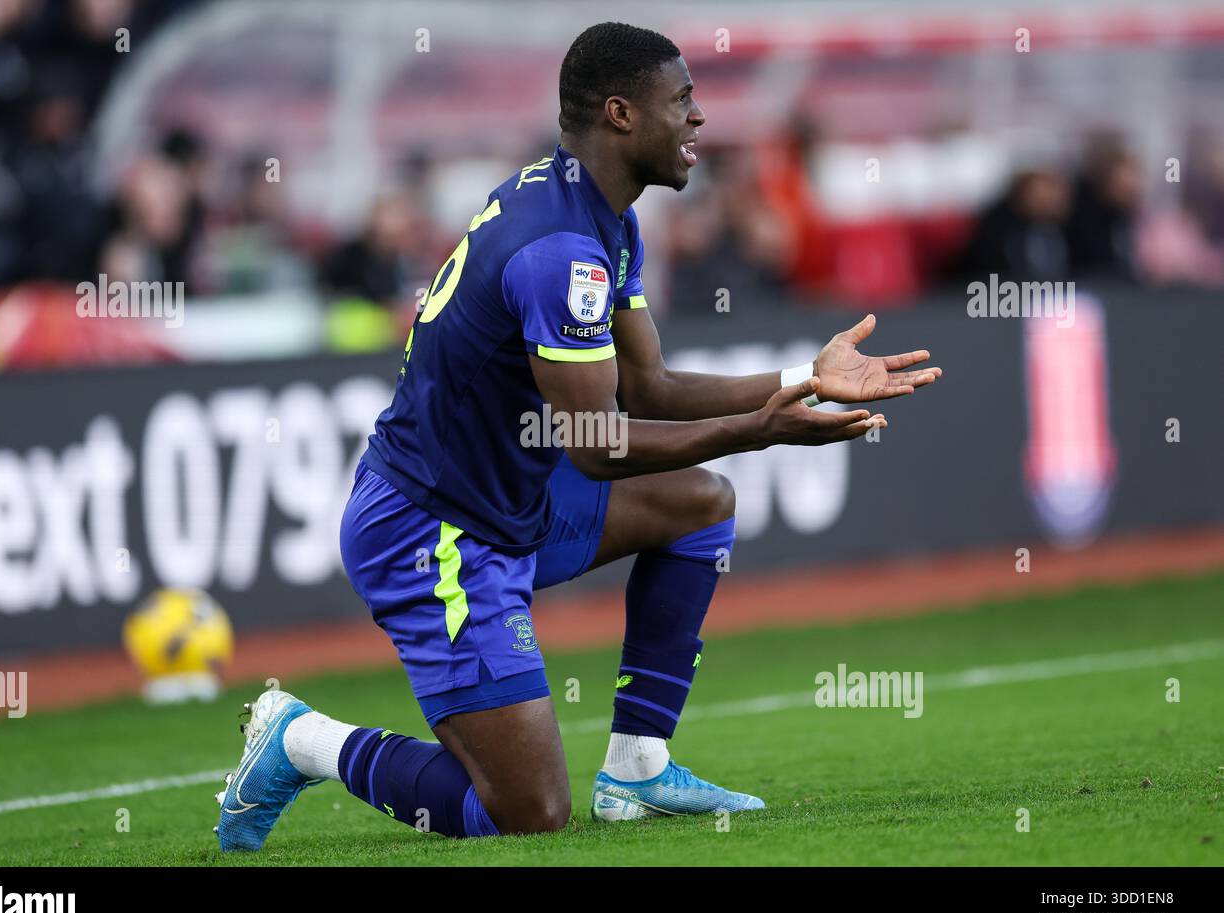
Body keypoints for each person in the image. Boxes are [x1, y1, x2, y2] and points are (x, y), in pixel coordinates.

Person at [215, 21, 941, 849]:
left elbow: (648, 386)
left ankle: (636, 768)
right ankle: (300, 740)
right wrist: (756, 430)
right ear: (623, 115)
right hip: (434, 530)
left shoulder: (596, 213)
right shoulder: (563, 250)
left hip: (507, 498)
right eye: (684, 100)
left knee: (699, 506)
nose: (701, 119)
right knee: (527, 813)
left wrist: (800, 382)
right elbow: (598, 443)